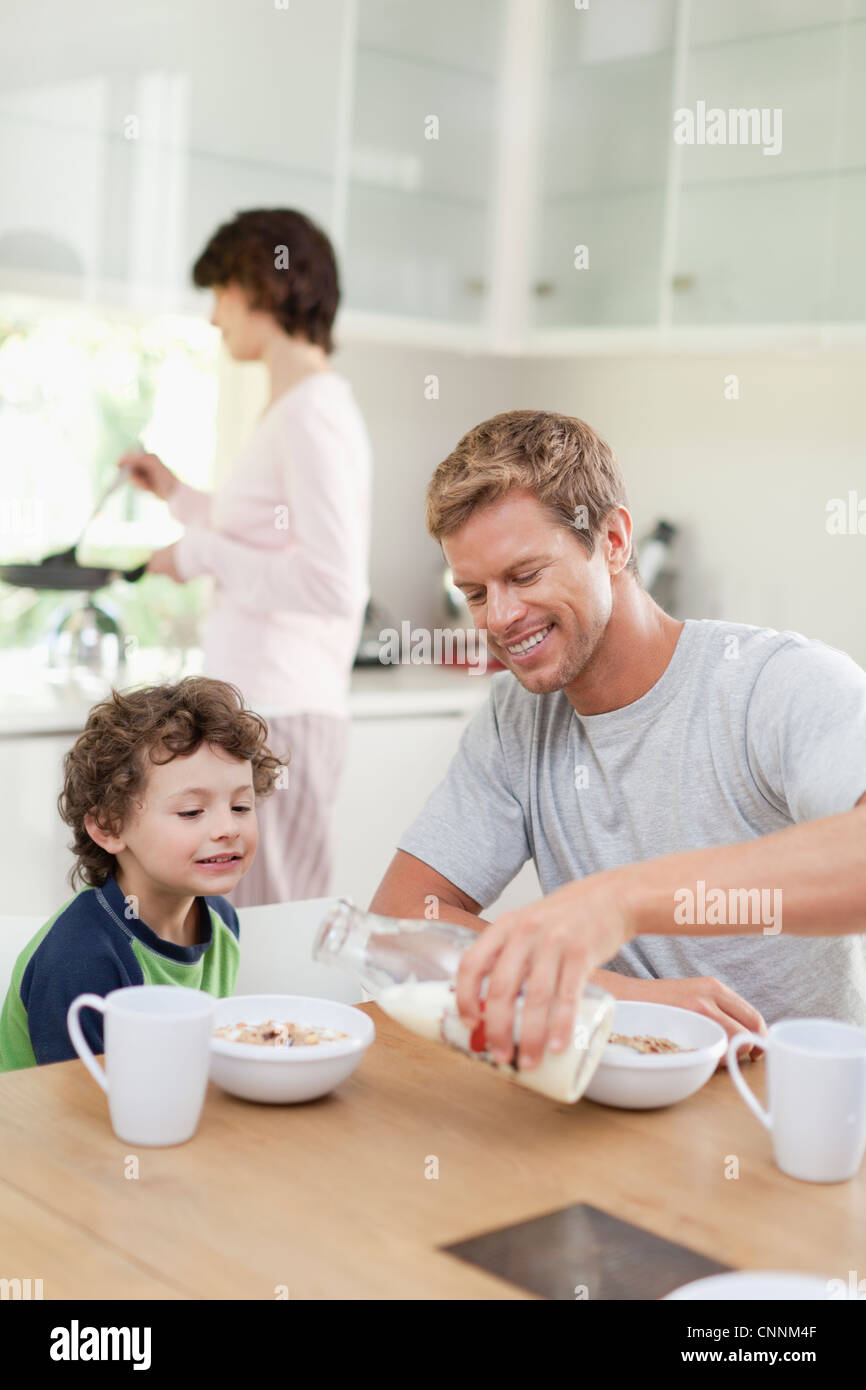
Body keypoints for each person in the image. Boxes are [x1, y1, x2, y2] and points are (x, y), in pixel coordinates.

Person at [370, 410, 866, 1073]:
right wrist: (621, 998)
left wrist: (620, 902)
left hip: (790, 1107)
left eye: (524, 576)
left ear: (613, 540)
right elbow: (402, 921)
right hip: (615, 1099)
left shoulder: (775, 685)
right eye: (475, 593)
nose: (501, 618)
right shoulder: (516, 718)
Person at [118, 208, 372, 906]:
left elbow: (330, 582)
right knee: (245, 925)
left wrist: (200, 551)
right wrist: (177, 496)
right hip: (264, 712)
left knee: (274, 925)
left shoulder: (313, 413)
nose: (213, 317)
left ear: (263, 285)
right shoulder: (295, 407)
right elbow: (264, 536)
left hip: (284, 713)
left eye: (220, 293)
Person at [0, 677, 284, 1071]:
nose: (228, 828)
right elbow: (76, 1110)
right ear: (109, 827)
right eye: (191, 812)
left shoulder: (221, 921)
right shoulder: (80, 957)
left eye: (240, 807)